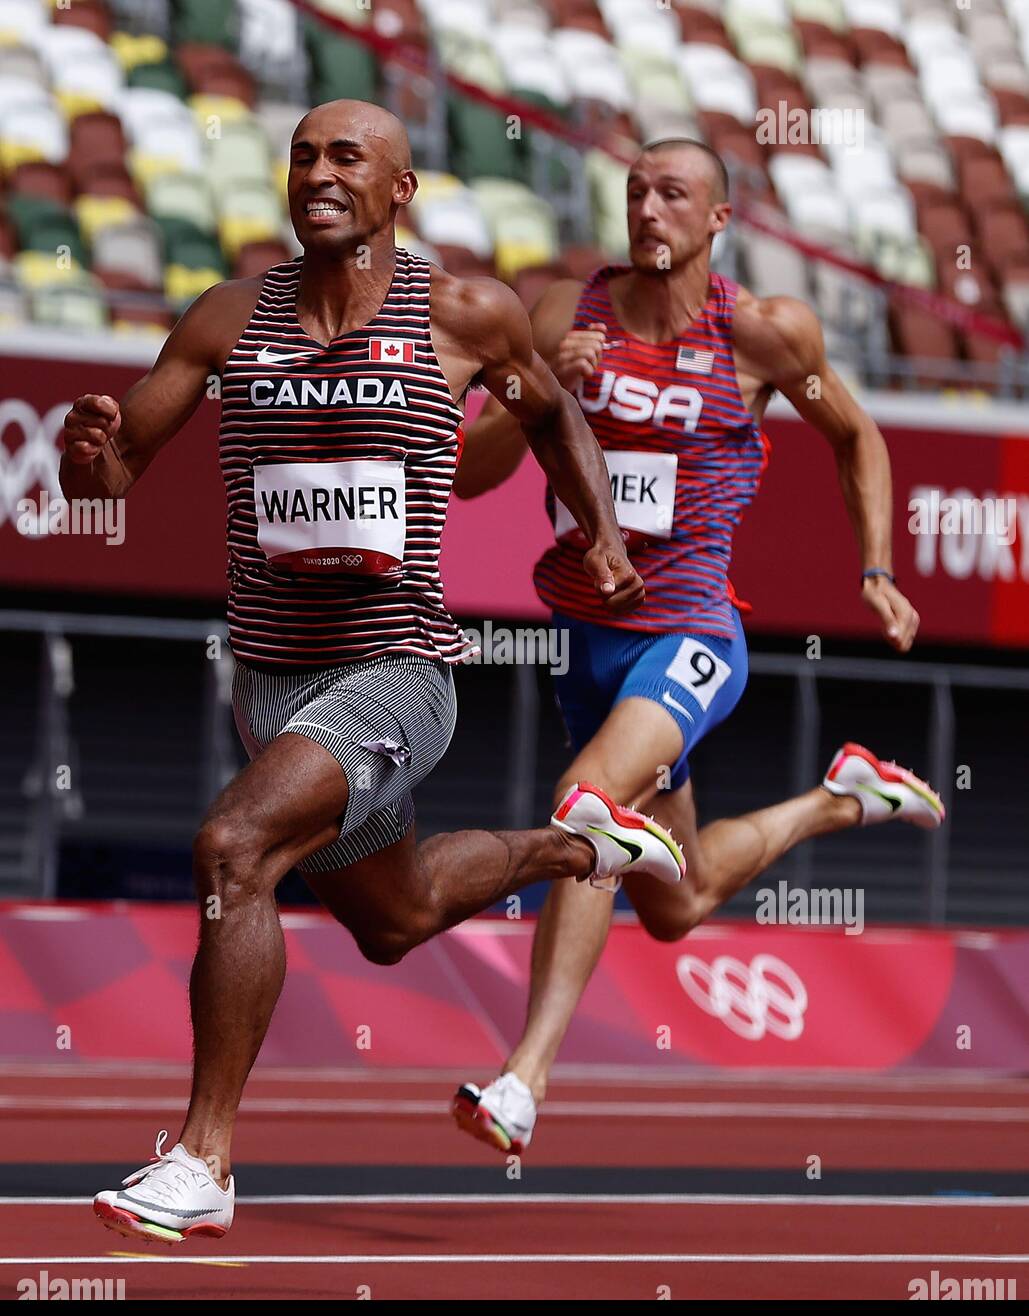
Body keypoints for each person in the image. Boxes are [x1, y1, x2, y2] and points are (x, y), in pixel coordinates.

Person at [59, 102, 687, 1244]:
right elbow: (110, 485)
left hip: (399, 672)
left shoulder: (464, 312)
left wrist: (600, 531)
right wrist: (84, 453)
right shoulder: (225, 320)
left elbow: (552, 416)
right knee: (394, 920)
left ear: (401, 190)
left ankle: (203, 1159)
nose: (318, 174)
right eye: (303, 156)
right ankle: (580, 847)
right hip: (272, 686)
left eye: (347, 156)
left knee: (233, 846)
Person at [450, 138, 944, 1156]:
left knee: (590, 804)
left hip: (690, 634)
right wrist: (538, 386)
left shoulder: (761, 334)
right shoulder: (560, 316)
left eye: (673, 194)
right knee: (676, 901)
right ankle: (838, 796)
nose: (648, 210)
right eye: (635, 191)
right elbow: (471, 476)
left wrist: (879, 568)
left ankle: (524, 1076)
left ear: (719, 220)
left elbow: (855, 434)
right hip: (586, 638)